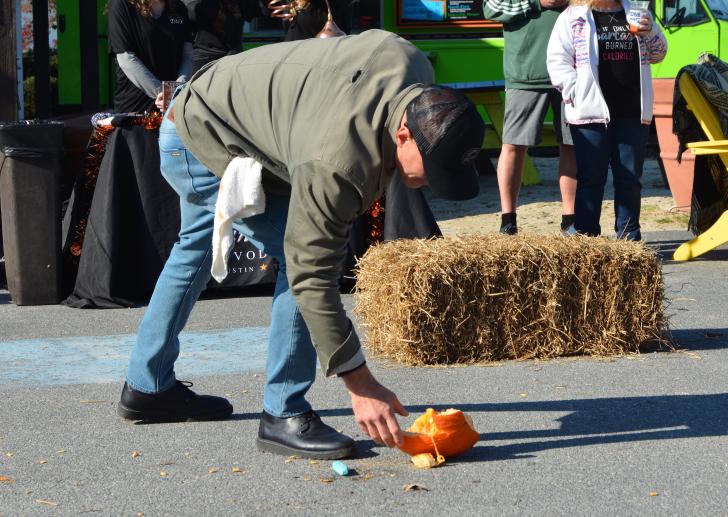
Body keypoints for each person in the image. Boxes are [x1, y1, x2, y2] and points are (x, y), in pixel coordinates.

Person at [116, 29, 486, 460]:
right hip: (201, 136)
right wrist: (361, 385)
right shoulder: (338, 164)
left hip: (211, 108)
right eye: (432, 171)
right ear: (403, 134)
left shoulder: (412, 63)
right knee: (299, 265)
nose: (431, 185)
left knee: (193, 252)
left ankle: (147, 384)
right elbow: (311, 273)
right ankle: (283, 413)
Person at [546, 0, 666, 240]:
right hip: (590, 113)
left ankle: (629, 239)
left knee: (629, 179)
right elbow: (557, 61)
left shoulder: (636, 11)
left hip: (632, 112)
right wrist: (575, 92)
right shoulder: (573, 16)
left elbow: (659, 54)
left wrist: (651, 30)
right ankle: (588, 240)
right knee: (591, 178)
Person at [483, 0, 577, 236]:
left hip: (573, 70)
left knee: (572, 144)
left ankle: (571, 221)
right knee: (513, 145)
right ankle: (508, 221)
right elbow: (492, 7)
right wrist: (537, 2)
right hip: (526, 72)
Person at [107, 0, 193, 113]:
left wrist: (177, 90)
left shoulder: (178, 7)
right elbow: (126, 59)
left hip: (174, 107)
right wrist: (164, 94)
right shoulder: (122, 5)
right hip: (136, 108)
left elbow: (187, 56)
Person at [180, 0, 264, 73]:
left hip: (234, 57)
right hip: (204, 57)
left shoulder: (242, 2)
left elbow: (262, 9)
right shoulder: (195, 4)